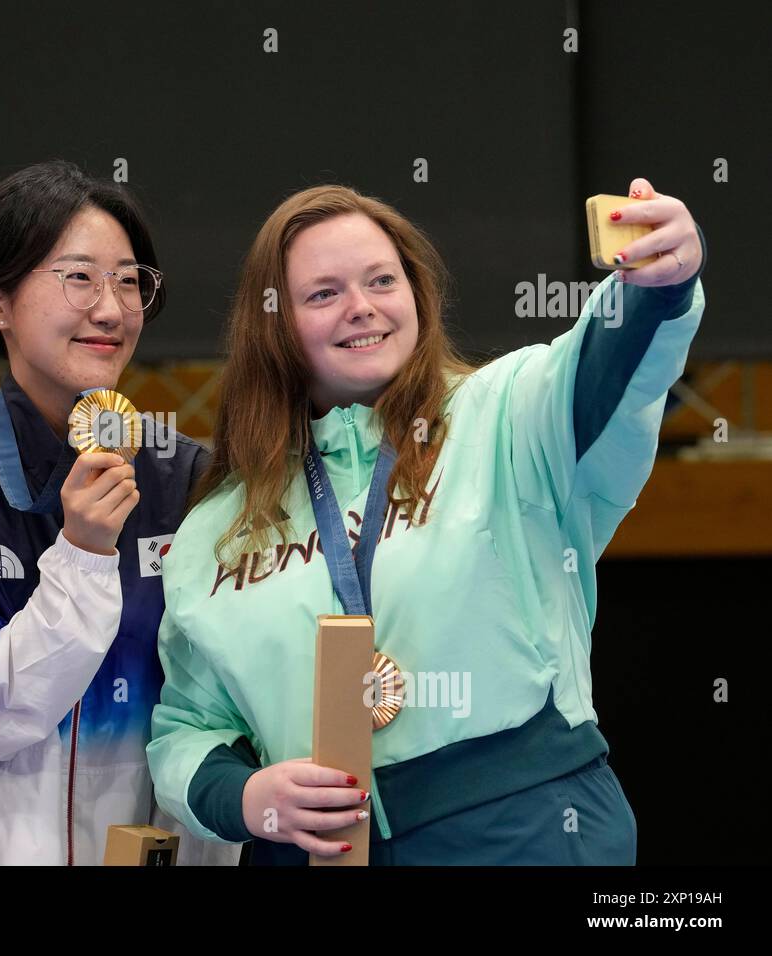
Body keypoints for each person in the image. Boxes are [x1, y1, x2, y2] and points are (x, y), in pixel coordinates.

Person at [147, 177, 706, 865]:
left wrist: (657, 284)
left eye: (382, 281)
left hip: (521, 830)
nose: (361, 308)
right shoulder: (216, 529)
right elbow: (189, 726)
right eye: (323, 294)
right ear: (274, 325)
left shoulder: (507, 414)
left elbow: (606, 366)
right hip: (319, 852)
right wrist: (247, 795)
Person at [0, 161, 237, 864]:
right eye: (78, 277)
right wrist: (85, 552)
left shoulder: (188, 477)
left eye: (129, 281)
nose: (110, 309)